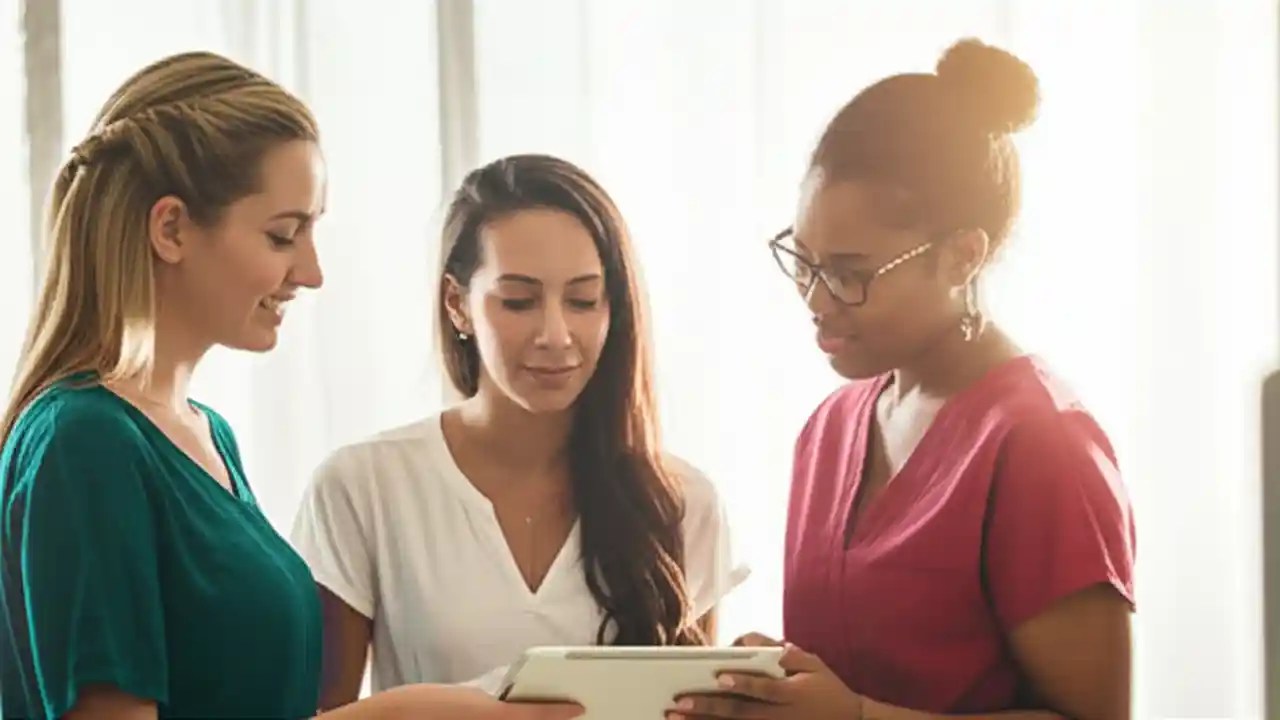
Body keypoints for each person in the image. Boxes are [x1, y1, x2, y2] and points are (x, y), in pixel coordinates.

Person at [0, 52, 581, 720]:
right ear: (171, 229)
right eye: (283, 235)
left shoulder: (205, 435)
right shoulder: (84, 440)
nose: (311, 272)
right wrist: (399, 715)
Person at [670, 39, 1135, 720]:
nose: (815, 299)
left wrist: (855, 717)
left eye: (850, 273)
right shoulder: (832, 429)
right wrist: (775, 685)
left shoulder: (1043, 444)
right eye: (804, 261)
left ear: (962, 256)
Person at [290, 153, 747, 708]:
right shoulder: (364, 485)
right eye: (518, 301)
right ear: (457, 304)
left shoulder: (681, 502)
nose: (556, 334)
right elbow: (322, 714)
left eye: (583, 300)